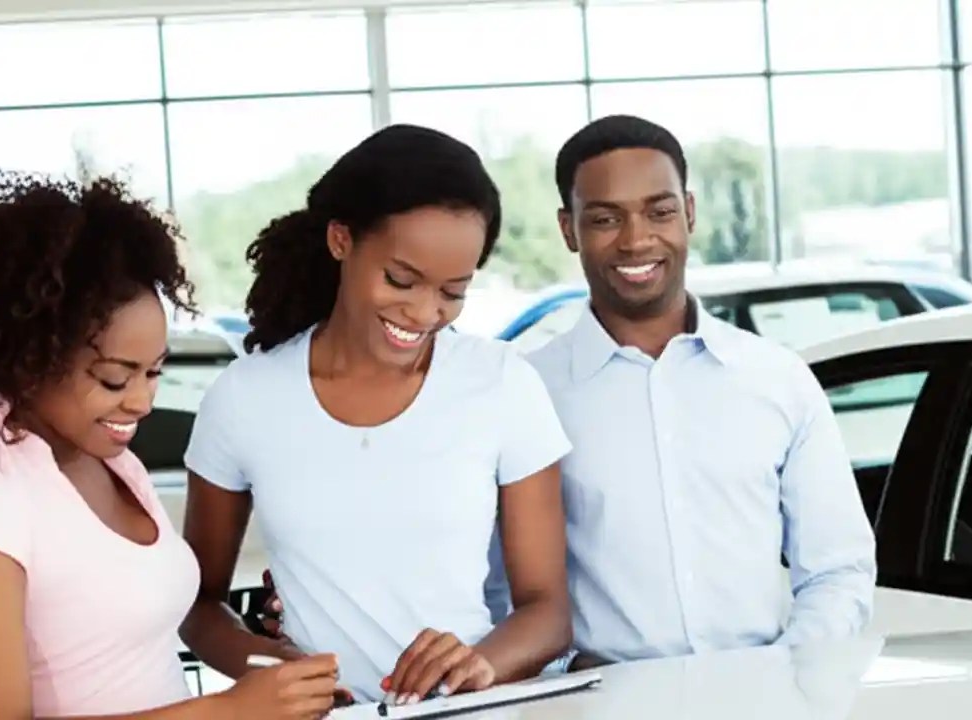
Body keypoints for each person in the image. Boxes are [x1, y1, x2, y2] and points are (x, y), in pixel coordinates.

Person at [0, 168, 341, 719]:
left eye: (154, 372)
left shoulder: (111, 461)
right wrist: (225, 713)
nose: (141, 402)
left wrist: (275, 668)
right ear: (30, 359)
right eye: (116, 378)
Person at [179, 124, 573, 706]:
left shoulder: (502, 384)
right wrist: (271, 669)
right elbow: (197, 603)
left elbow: (549, 611)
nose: (423, 312)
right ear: (341, 239)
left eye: (453, 291)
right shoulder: (245, 398)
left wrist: (478, 663)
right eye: (401, 280)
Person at [517, 114, 878, 668]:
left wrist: (781, 678)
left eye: (659, 212)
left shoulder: (776, 379)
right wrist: (566, 671)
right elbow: (497, 593)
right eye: (606, 218)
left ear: (688, 212)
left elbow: (838, 570)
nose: (637, 240)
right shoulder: (528, 395)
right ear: (569, 229)